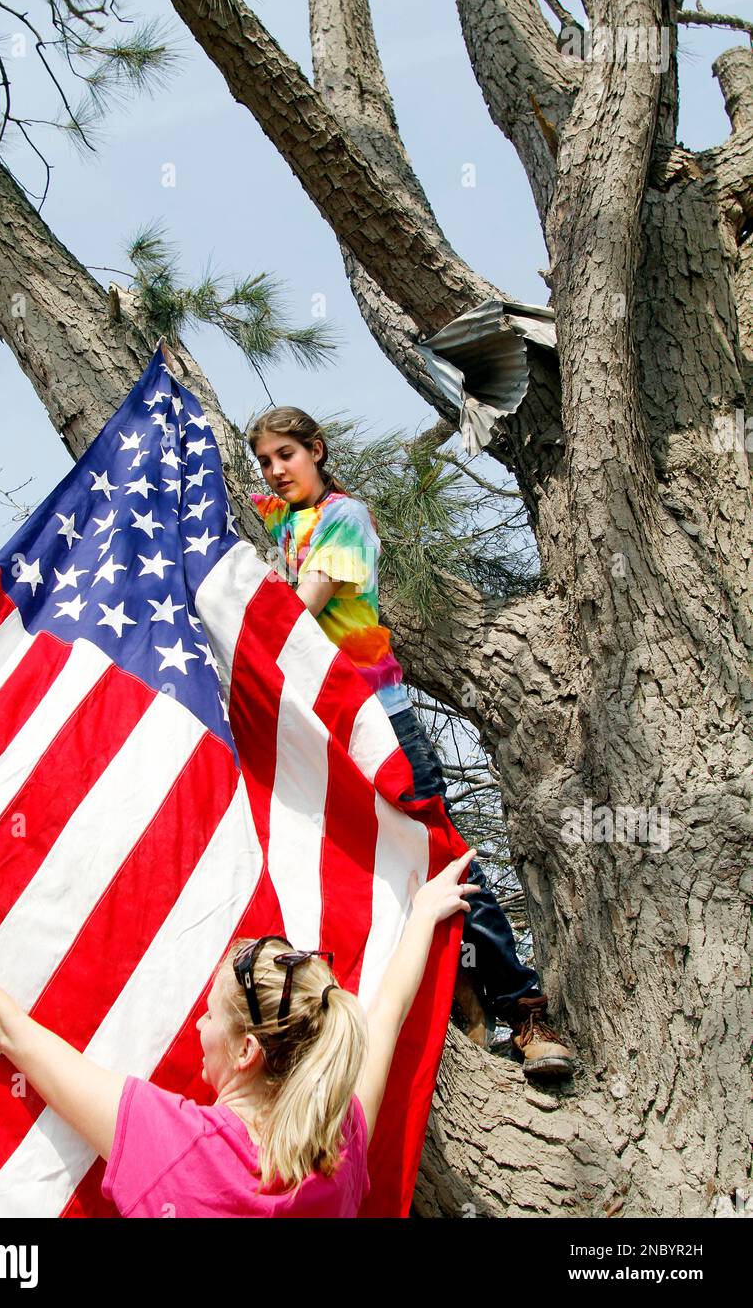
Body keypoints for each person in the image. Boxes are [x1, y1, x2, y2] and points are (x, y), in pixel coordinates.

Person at [247, 406, 574, 1083]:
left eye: (287, 455)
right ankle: (462, 1005)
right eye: (266, 462)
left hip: (379, 717)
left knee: (444, 857)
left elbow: (299, 612)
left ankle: (526, 1013)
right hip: (327, 731)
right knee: (375, 869)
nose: (277, 471)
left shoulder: (345, 516)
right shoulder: (286, 520)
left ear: (317, 449)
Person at [0, 849, 479, 1218]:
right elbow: (389, 1013)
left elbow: (9, 1030)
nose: (197, 1026)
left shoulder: (177, 1146)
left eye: (210, 1017)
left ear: (247, 1050)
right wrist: (424, 913)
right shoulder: (343, 1151)